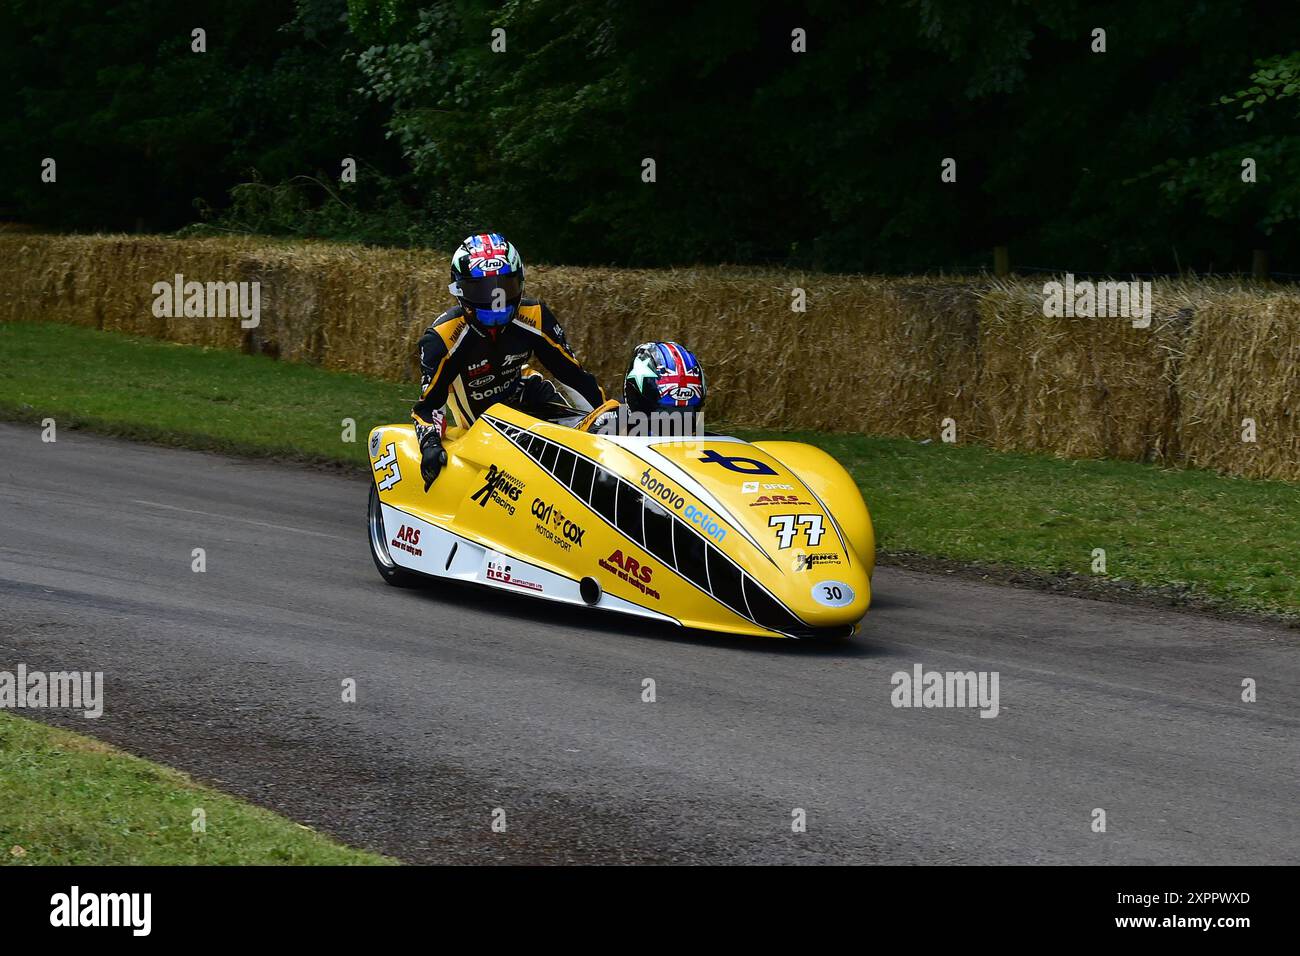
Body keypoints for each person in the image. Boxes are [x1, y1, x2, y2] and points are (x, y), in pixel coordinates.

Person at [412, 233, 605, 487]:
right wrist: (430, 444)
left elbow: (574, 376)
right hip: (482, 423)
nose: (495, 302)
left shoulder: (535, 316)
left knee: (587, 434)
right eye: (482, 291)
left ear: (521, 283)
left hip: (529, 394)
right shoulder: (442, 338)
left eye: (504, 288)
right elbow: (427, 408)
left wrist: (604, 424)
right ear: (460, 291)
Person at [579, 341, 706, 436]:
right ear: (636, 400)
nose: (675, 428)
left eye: (687, 415)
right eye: (663, 415)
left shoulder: (695, 435)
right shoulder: (607, 421)